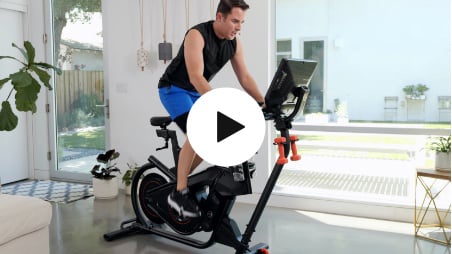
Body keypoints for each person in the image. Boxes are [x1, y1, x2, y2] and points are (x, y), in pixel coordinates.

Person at [158, 0, 265, 218]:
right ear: (219, 17)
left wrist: (263, 102)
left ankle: (181, 177)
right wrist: (218, 103)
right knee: (197, 133)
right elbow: (195, 76)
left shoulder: (234, 43)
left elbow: (244, 77)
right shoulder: (197, 35)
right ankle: (178, 193)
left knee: (215, 136)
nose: (239, 27)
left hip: (196, 92)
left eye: (242, 22)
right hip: (174, 89)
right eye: (235, 21)